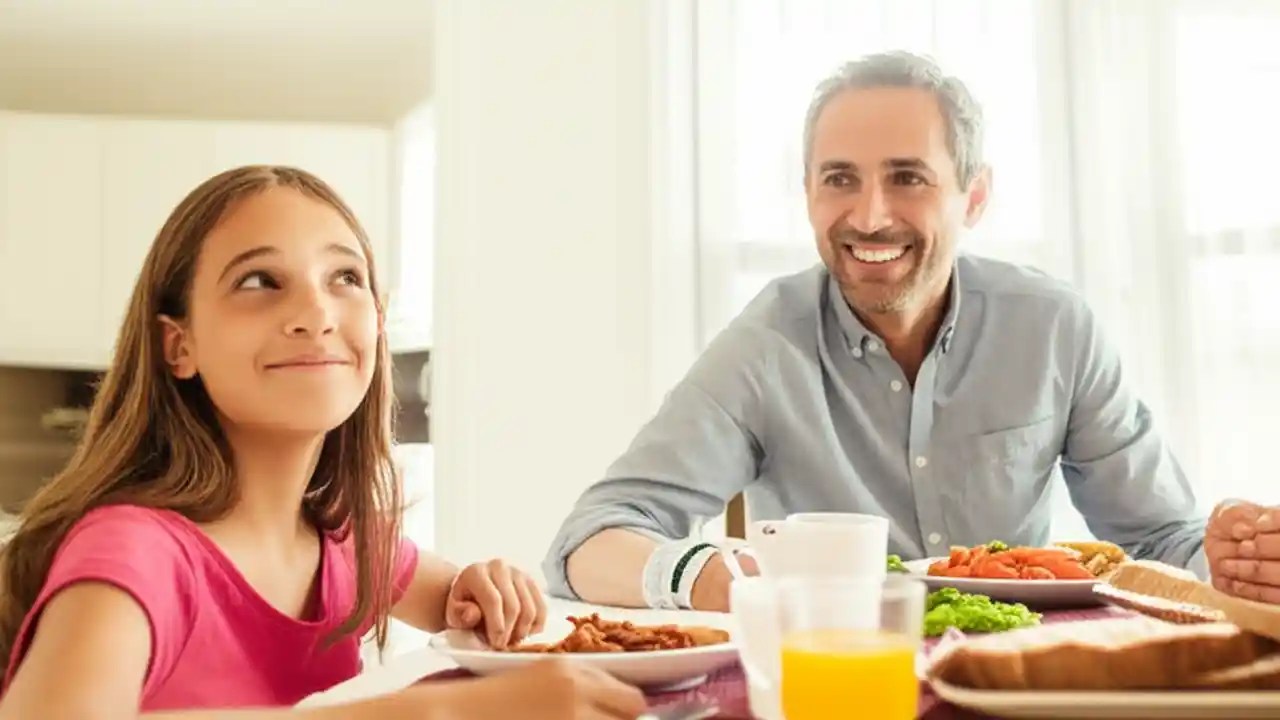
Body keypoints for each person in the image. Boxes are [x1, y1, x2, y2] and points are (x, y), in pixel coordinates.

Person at [544, 50, 1280, 613]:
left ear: (975, 196)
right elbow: (588, 540)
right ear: (807, 194)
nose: (868, 216)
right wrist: (701, 574)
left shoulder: (1055, 328)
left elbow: (1160, 542)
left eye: (907, 177)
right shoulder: (764, 348)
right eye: (839, 179)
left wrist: (1236, 563)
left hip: (1020, 683)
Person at [0, 166, 645, 720]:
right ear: (180, 346)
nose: (317, 312)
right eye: (259, 281)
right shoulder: (135, 552)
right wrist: (439, 709)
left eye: (345, 277)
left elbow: (454, 596)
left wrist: (480, 590)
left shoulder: (346, 542)